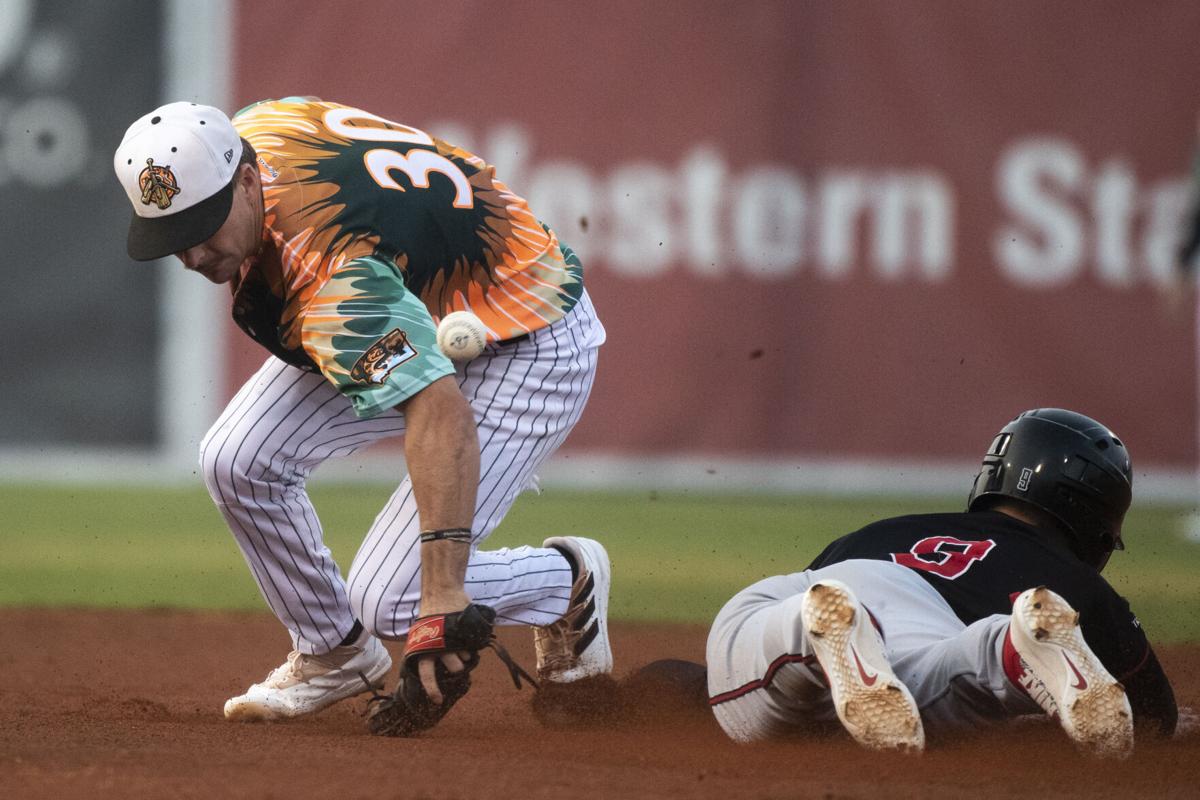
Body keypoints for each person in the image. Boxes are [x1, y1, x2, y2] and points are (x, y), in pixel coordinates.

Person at [112, 98, 611, 730]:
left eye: (205, 225)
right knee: (237, 460)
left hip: (528, 336)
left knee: (396, 596)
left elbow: (438, 410)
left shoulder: (331, 279)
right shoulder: (254, 128)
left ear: (245, 179)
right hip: (420, 298)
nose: (193, 254)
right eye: (173, 236)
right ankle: (334, 654)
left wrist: (445, 593)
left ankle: (564, 582)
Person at [705, 409, 1178, 756]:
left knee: (759, 648)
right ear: (1098, 526)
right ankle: (1009, 646)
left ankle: (808, 629)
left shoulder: (886, 528)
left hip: (827, 584)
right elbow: (1154, 718)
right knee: (950, 673)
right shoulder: (1080, 587)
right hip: (935, 630)